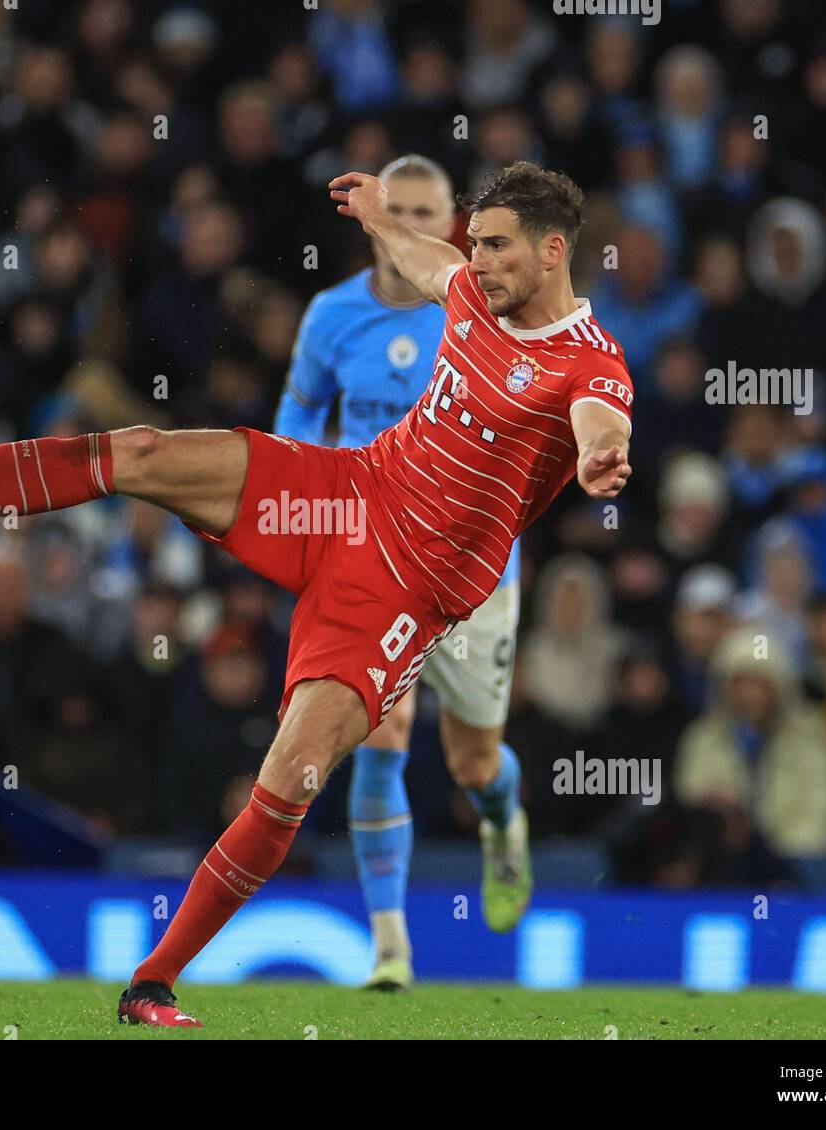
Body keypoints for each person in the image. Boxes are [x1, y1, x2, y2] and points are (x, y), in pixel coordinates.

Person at [0, 159, 634, 1027]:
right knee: (144, 454)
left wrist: (598, 456)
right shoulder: (471, 289)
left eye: (499, 247)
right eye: (480, 243)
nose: (482, 260)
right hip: (343, 495)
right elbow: (431, 262)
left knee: (294, 774)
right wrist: (382, 219)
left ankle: (150, 983)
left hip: (404, 594)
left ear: (551, 252)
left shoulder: (591, 363)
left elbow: (600, 418)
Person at [274, 153, 532, 991]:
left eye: (430, 213)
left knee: (473, 764)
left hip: (474, 564)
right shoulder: (330, 315)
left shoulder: (481, 313)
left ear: (451, 226)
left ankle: (503, 821)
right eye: (401, 210)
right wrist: (302, 522)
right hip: (372, 556)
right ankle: (390, 945)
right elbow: (300, 421)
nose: (414, 227)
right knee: (376, 735)